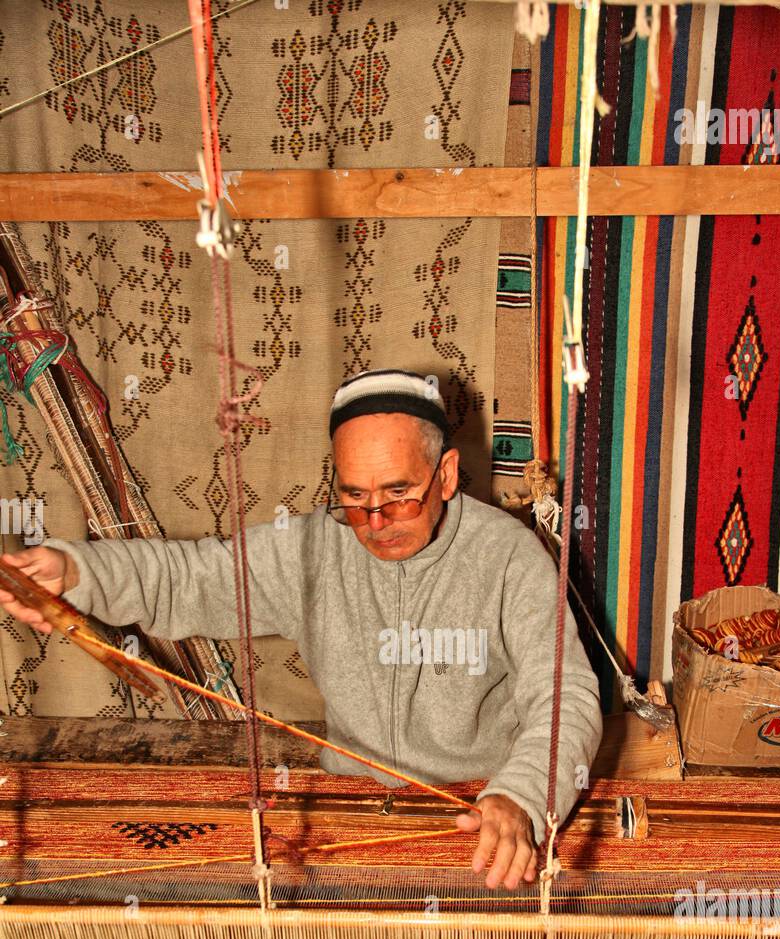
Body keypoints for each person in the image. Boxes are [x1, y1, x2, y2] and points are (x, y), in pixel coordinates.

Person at [0, 368, 602, 891]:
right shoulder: (311, 548)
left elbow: (565, 696)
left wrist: (521, 797)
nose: (375, 522)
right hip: (350, 815)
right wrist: (75, 570)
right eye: (354, 497)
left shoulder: (510, 558)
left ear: (445, 475)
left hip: (478, 817)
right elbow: (187, 578)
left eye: (399, 494)